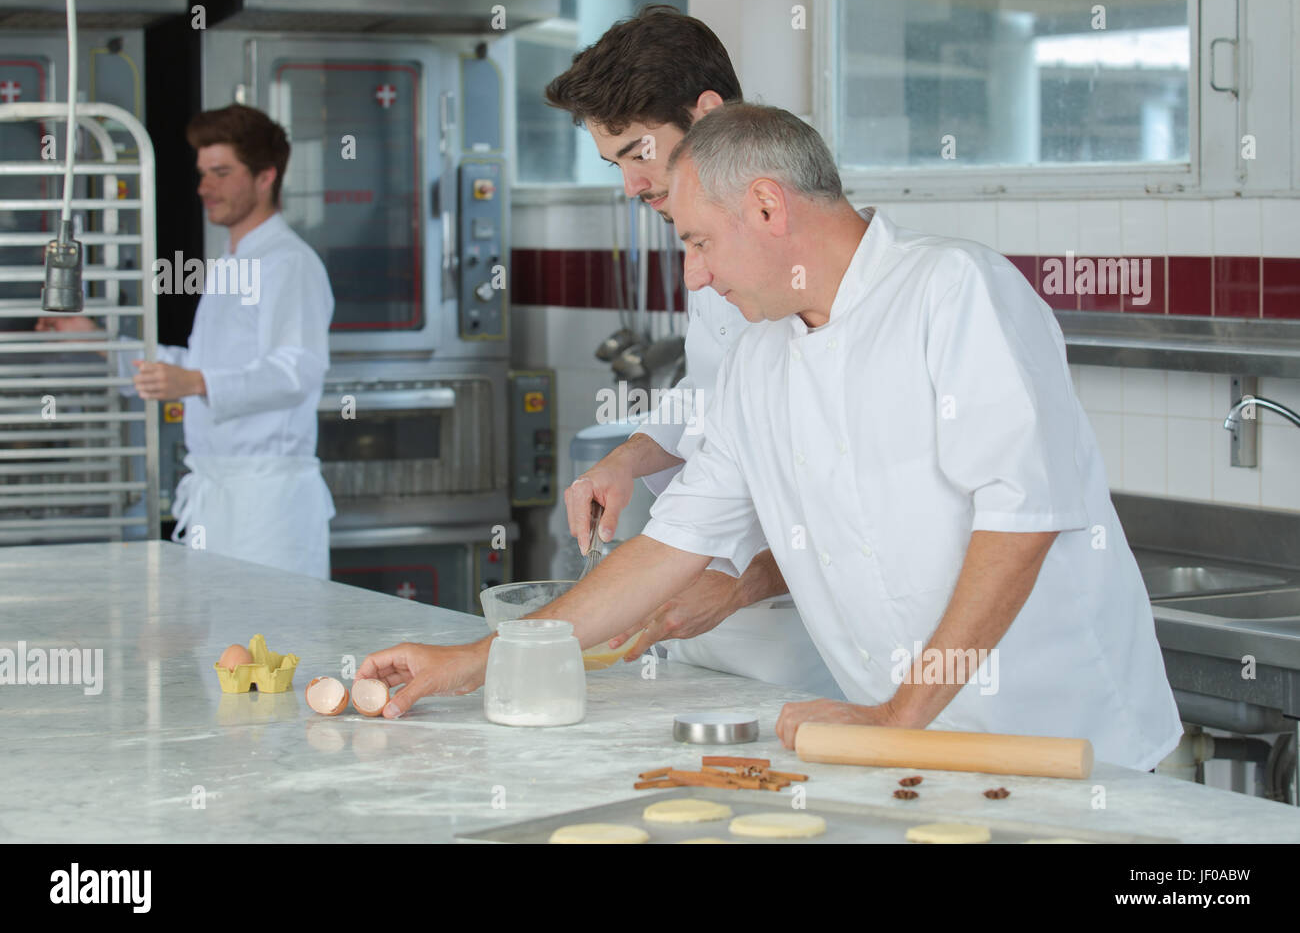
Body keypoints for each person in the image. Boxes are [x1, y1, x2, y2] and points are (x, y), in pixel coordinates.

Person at [358, 103, 1183, 771]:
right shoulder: (761, 360)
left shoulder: (954, 291)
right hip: (904, 754)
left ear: (765, 205)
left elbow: (1022, 519)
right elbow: (674, 542)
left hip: (1067, 746)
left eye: (698, 241)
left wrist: (902, 712)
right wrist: (478, 660)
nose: (695, 275)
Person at [544, 5, 840, 698]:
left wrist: (743, 581)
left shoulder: (800, 266)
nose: (630, 186)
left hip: (797, 634)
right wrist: (633, 454)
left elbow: (856, 503)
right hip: (696, 602)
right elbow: (719, 391)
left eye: (635, 153)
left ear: (706, 115)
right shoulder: (715, 260)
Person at [40, 105, 335, 578]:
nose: (204, 188)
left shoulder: (289, 264)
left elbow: (296, 371)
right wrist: (96, 338)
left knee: (277, 648)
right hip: (217, 500)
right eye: (202, 174)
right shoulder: (229, 264)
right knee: (225, 650)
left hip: (267, 510)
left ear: (266, 177)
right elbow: (194, 367)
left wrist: (196, 381)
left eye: (221, 173)